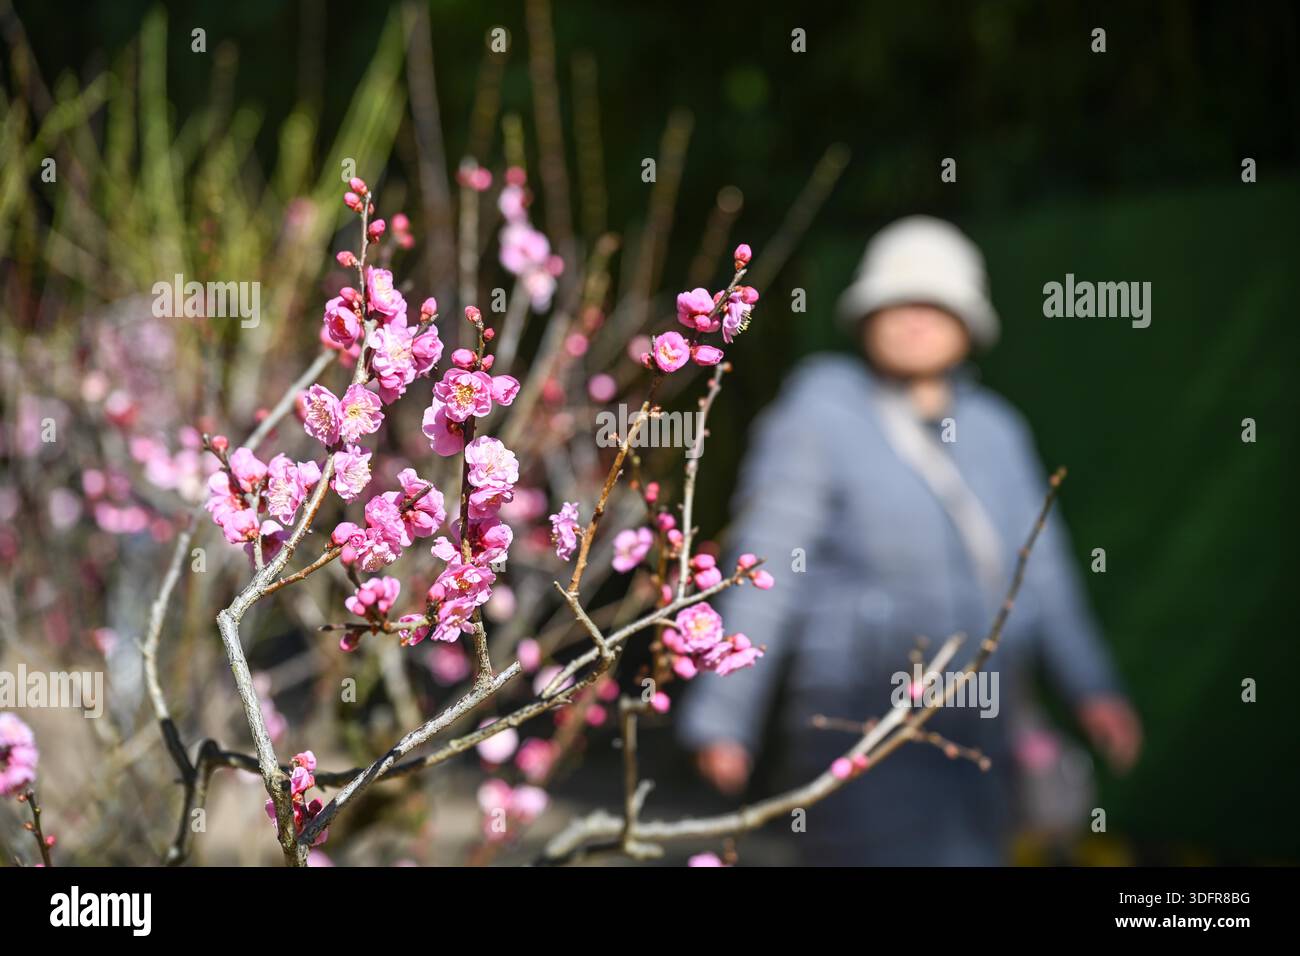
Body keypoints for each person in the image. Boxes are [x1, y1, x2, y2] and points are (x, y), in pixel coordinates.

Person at [676, 216, 1141, 865]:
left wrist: (1093, 688)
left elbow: (1044, 573)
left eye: (934, 304)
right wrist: (725, 714)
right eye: (896, 303)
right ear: (865, 314)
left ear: (968, 322)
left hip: (983, 729)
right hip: (855, 721)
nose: (913, 319)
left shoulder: (997, 432)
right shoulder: (819, 413)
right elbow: (767, 564)